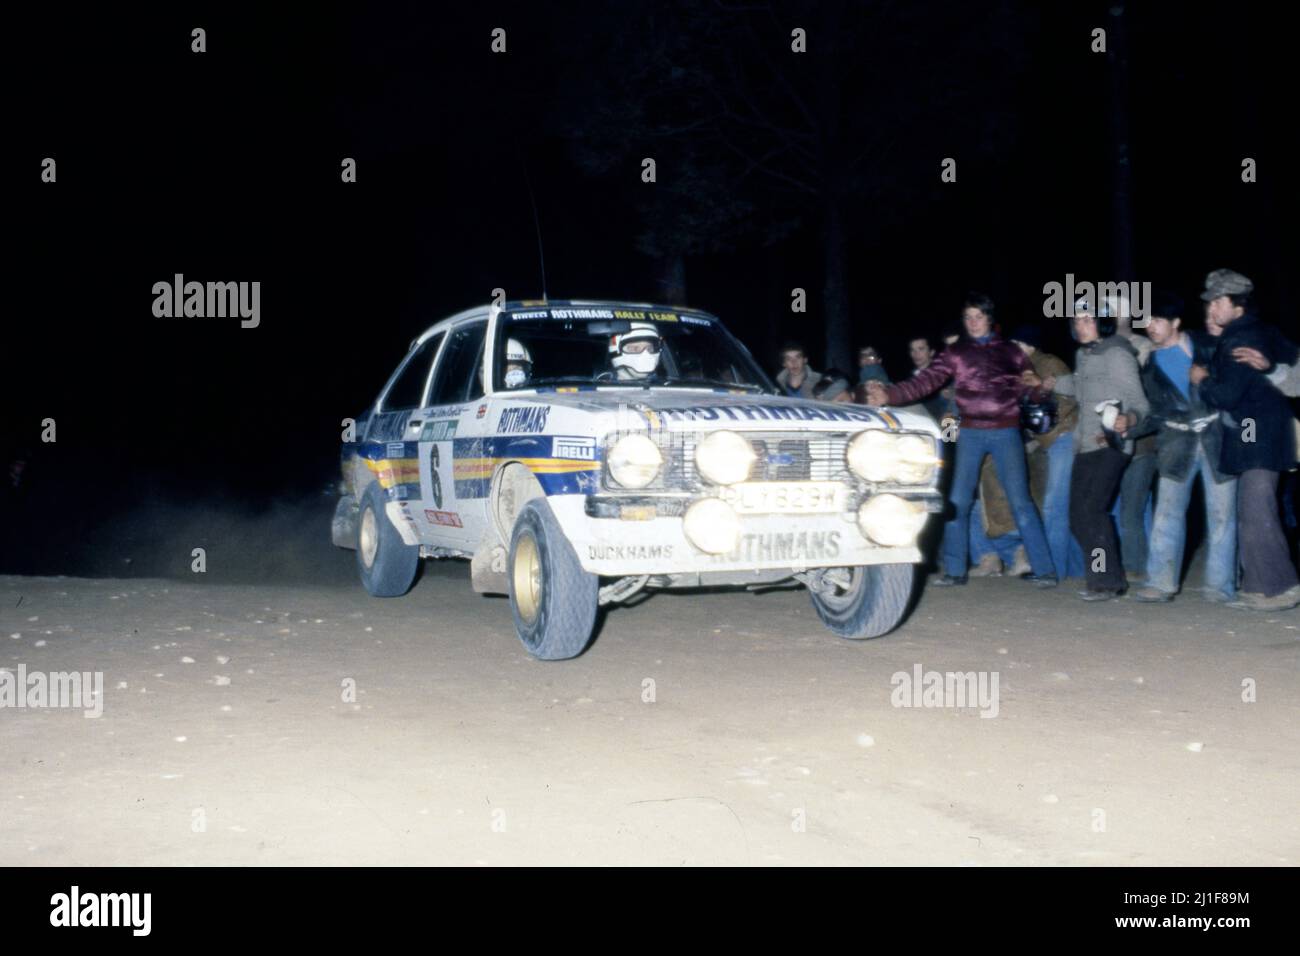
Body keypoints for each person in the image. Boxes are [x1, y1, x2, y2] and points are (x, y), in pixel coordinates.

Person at [866, 292, 1057, 587]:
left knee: (1021, 501)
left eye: (979, 317)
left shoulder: (1012, 352)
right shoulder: (956, 353)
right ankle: (955, 571)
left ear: (990, 319)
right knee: (958, 500)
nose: (973, 322)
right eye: (968, 317)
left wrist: (1039, 390)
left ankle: (1044, 569)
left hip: (1006, 432)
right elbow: (925, 381)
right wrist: (890, 394)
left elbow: (1028, 391)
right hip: (968, 432)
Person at [1191, 269, 1300, 611]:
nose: (1211, 310)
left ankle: (1279, 587)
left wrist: (1202, 379)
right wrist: (1271, 371)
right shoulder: (1263, 331)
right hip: (1260, 427)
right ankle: (1258, 586)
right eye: (1209, 304)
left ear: (1237, 305)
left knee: (1257, 505)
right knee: (1253, 506)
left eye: (1218, 303)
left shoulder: (1241, 338)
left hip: (1258, 428)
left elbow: (1227, 395)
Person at [1129, 293, 1236, 604]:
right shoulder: (1149, 368)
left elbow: (1237, 389)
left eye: (1158, 320)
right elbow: (1152, 413)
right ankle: (1160, 583)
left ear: (1175, 322)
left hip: (1218, 440)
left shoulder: (1209, 347)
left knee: (1222, 517)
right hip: (1177, 444)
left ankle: (1220, 588)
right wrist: (1129, 423)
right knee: (1166, 514)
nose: (1151, 327)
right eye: (1147, 321)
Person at [972, 325, 1082, 580]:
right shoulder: (1017, 371)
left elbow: (1067, 403)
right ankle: (1070, 569)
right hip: (1046, 443)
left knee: (1054, 507)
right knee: (1054, 507)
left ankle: (1052, 569)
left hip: (1063, 439)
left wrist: (1039, 392)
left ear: (1028, 345)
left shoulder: (1047, 363)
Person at [1068, 295, 1149, 600]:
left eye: (1087, 320)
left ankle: (1105, 581)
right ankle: (1106, 577)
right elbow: (1079, 393)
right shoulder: (1083, 354)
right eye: (1077, 320)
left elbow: (1141, 403)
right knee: (1077, 517)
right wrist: (1051, 383)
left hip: (1111, 443)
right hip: (1085, 444)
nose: (1081, 326)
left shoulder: (1117, 354)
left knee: (1092, 510)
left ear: (1102, 322)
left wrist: (1130, 417)